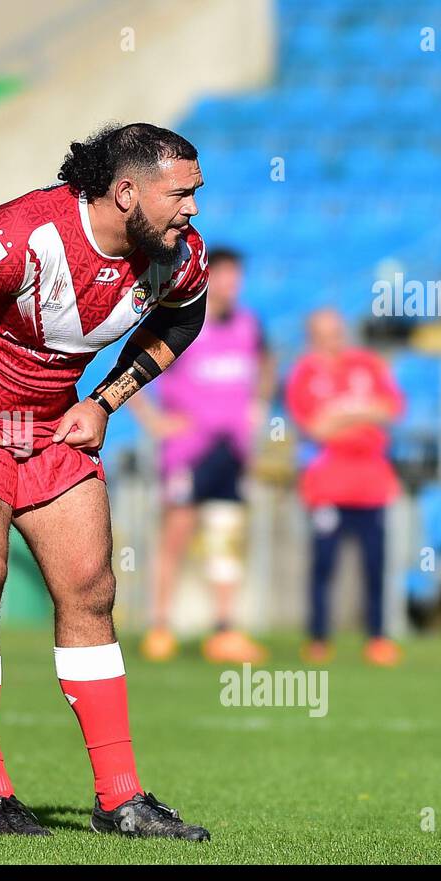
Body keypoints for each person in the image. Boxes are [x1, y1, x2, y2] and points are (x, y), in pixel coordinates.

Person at [0, 123, 212, 840]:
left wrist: (105, 399)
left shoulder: (177, 257)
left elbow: (186, 318)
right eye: (181, 193)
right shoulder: (21, 233)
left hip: (48, 426)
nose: (193, 208)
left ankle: (121, 798)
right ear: (126, 192)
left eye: (196, 192)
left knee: (91, 588)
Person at [130, 247, 274, 664]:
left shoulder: (249, 326)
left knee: (225, 538)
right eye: (226, 277)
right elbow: (133, 365)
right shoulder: (180, 323)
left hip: (232, 450)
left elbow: (266, 364)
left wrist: (259, 407)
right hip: (188, 452)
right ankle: (159, 626)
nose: (233, 285)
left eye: (237, 278)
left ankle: (224, 629)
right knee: (176, 534)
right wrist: (155, 421)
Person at [284, 308, 404, 666]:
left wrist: (342, 415)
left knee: (375, 565)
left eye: (337, 332)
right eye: (324, 334)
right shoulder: (304, 373)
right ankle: (319, 638)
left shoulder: (367, 364)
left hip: (372, 483)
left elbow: (390, 410)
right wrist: (361, 413)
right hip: (327, 485)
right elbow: (315, 428)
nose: (332, 340)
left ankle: (378, 638)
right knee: (324, 565)